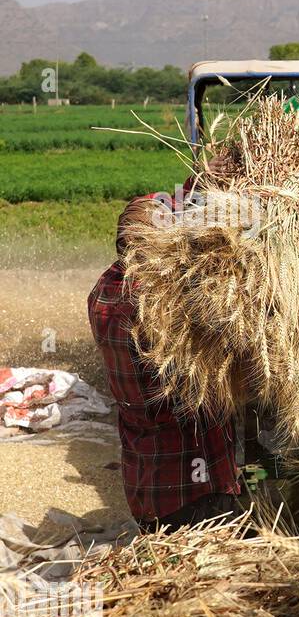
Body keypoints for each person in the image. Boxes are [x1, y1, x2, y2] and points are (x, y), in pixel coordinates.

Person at [88, 196, 243, 530]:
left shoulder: (103, 288)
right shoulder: (163, 303)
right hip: (193, 482)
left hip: (147, 481)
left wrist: (196, 189)